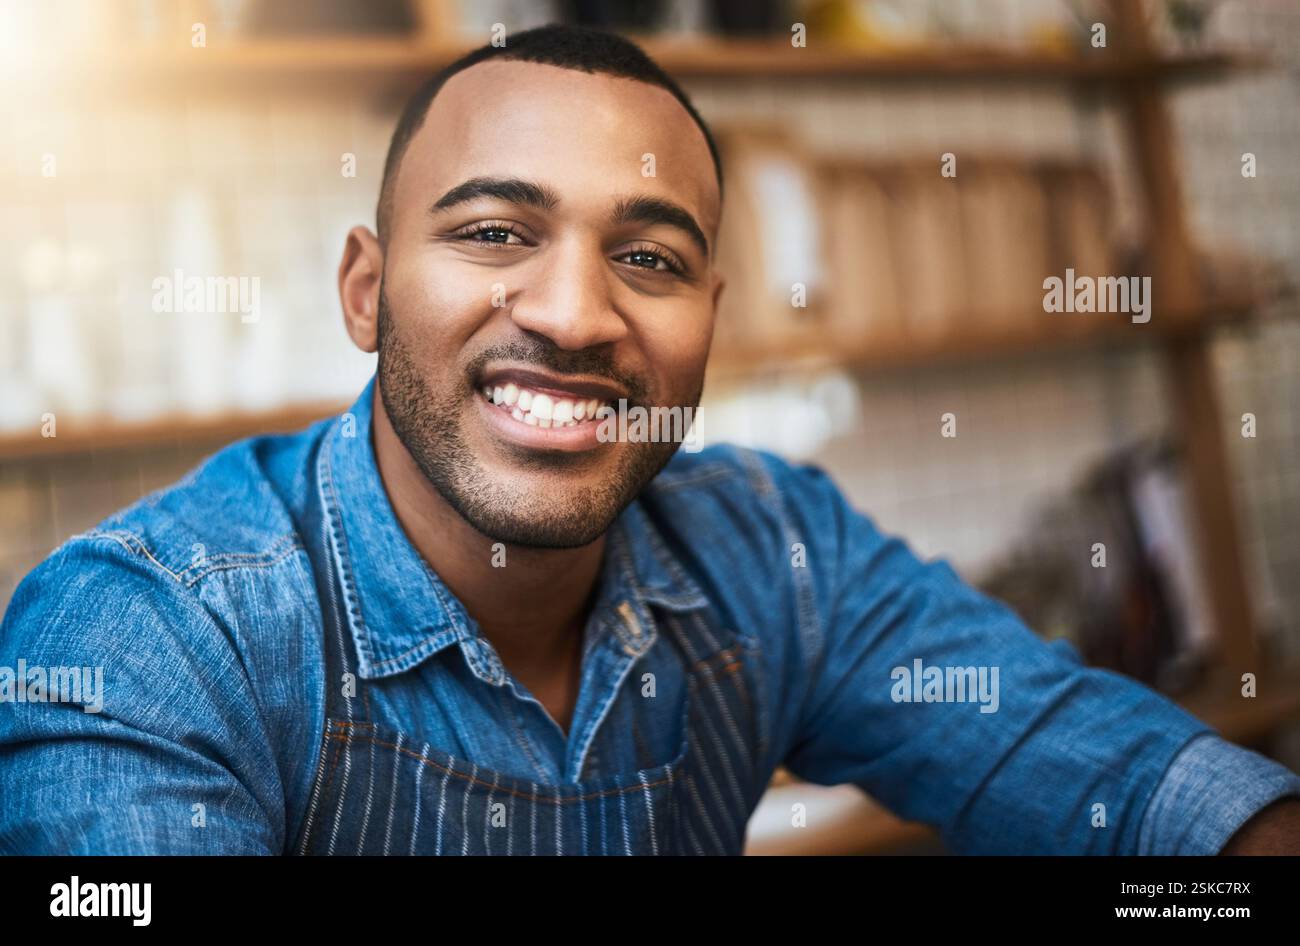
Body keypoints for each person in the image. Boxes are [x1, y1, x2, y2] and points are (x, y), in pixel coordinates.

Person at [2, 24, 1297, 856]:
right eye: (495, 232)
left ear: (709, 326)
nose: (574, 314)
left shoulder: (775, 552)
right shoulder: (149, 635)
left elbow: (1118, 783)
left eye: (648, 256)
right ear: (365, 290)